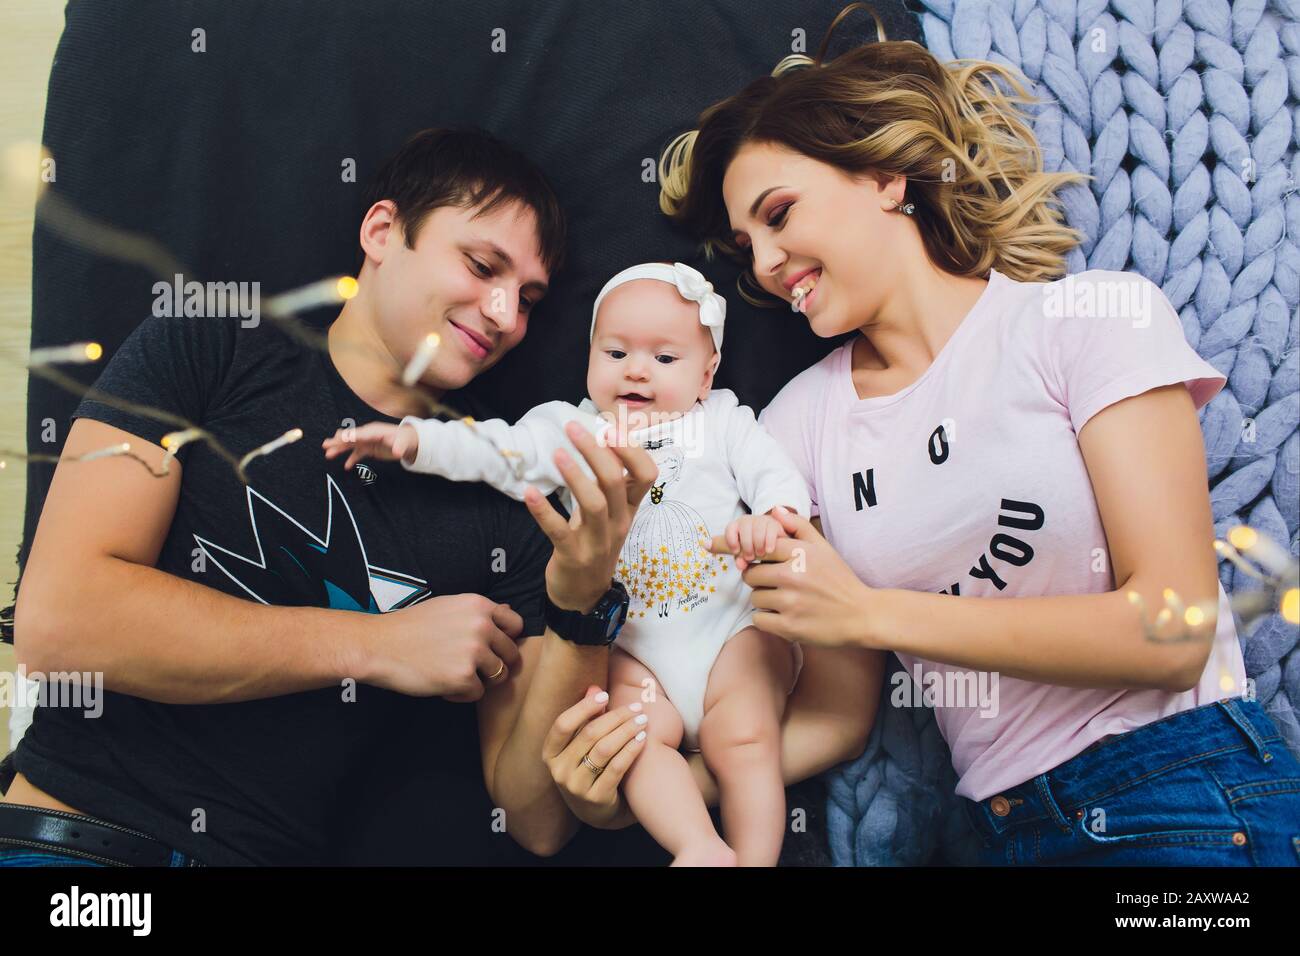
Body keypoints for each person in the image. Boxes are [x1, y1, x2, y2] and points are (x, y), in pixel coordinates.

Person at [1, 126, 871, 867]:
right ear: (383, 230)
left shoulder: (516, 492)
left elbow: (532, 814)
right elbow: (61, 621)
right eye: (482, 264)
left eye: (529, 297)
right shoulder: (214, 343)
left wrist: (578, 603)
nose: (504, 313)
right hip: (82, 844)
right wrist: (378, 646)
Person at [647, 20, 1300, 866]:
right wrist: (658, 781)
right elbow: (839, 718)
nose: (768, 263)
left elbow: (1173, 632)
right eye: (748, 246)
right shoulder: (796, 425)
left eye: (779, 215)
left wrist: (875, 611)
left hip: (1185, 791)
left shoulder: (1086, 320)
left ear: (884, 178)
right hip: (1004, 831)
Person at [323, 259, 854, 865]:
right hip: (636, 650)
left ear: (707, 374)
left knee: (745, 737)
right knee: (634, 742)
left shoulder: (723, 423)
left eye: (665, 359)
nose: (636, 370)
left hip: (731, 632)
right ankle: (701, 848)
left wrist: (773, 514)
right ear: (589, 358)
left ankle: (756, 859)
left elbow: (773, 471)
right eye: (616, 351)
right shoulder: (572, 429)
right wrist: (415, 441)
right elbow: (498, 448)